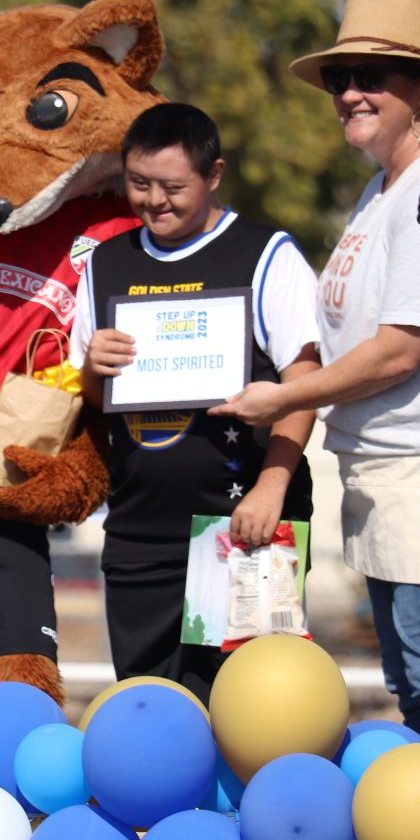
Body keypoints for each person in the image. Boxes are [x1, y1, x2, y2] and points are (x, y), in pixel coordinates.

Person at [209, 0, 420, 732]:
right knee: (417, 685)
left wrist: (282, 399)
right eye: (339, 78)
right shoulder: (383, 189)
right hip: (398, 470)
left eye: (372, 76)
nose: (351, 92)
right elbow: (350, 338)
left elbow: (398, 351)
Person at [70, 102, 321, 705]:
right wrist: (92, 369)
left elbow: (306, 379)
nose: (154, 201)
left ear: (214, 175)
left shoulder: (267, 254)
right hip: (140, 528)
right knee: (149, 702)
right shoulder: (105, 264)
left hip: (240, 523)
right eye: (138, 184)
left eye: (173, 187)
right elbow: (96, 399)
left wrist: (271, 488)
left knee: (251, 706)